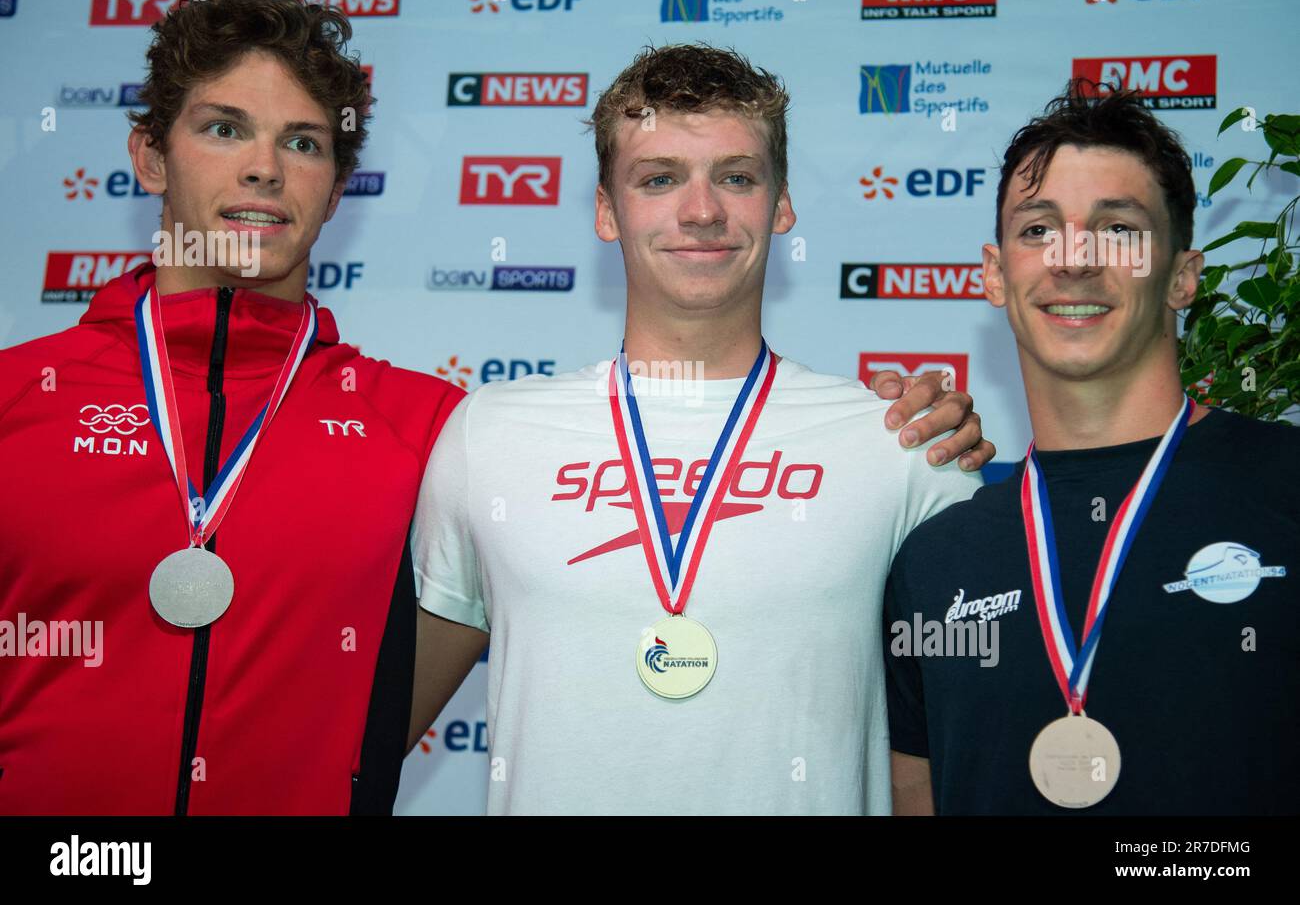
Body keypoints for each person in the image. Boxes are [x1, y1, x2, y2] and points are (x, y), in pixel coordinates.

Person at [407, 43, 993, 815]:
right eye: (658, 179)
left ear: (781, 205)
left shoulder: (902, 444)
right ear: (605, 211)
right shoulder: (489, 436)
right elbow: (367, 736)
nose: (702, 211)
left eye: (737, 177)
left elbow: (947, 751)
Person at [0, 0, 463, 814]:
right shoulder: (15, 397)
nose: (264, 167)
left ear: (336, 185)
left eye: (305, 143)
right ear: (149, 158)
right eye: (224, 128)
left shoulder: (427, 429)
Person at [884, 81, 1299, 815]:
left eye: (1118, 229)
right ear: (994, 274)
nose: (1072, 260)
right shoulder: (935, 557)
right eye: (1039, 229)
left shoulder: (1285, 488)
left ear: (1181, 276)